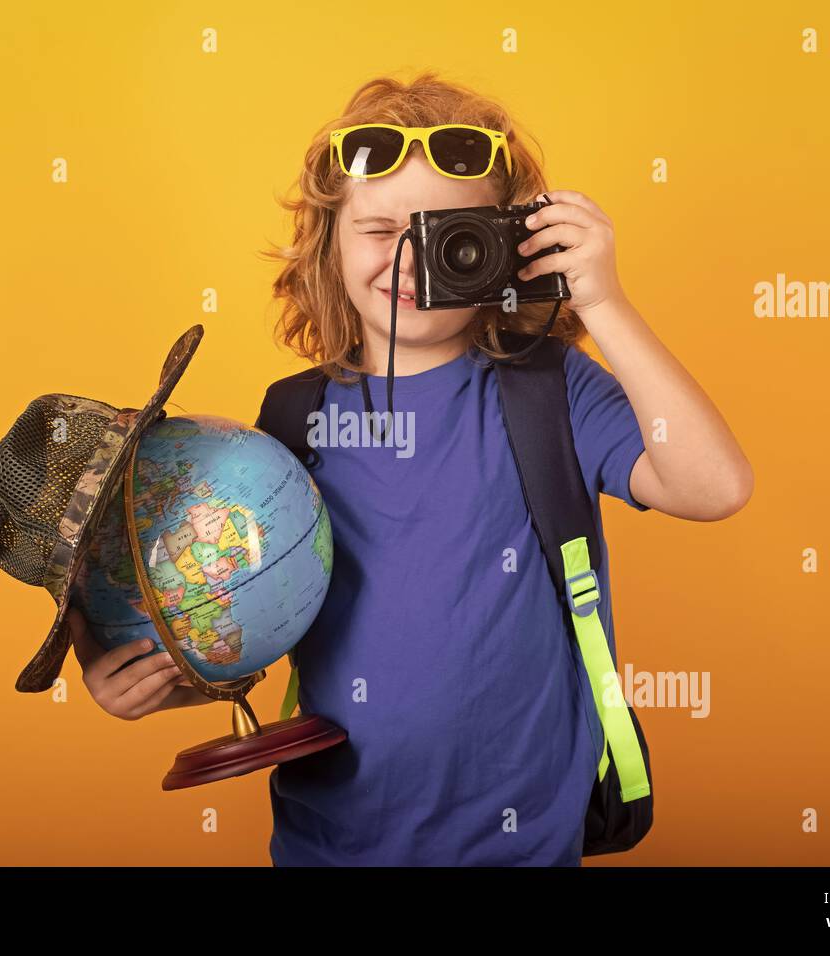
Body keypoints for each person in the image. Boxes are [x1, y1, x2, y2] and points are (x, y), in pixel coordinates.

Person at [75, 70, 753, 866]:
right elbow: (256, 619)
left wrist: (604, 303)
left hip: (522, 844)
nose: (407, 257)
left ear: (509, 249)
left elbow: (717, 487)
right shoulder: (292, 417)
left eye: (450, 234)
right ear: (328, 242)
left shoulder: (550, 388)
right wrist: (160, 683)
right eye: (377, 227)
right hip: (331, 844)